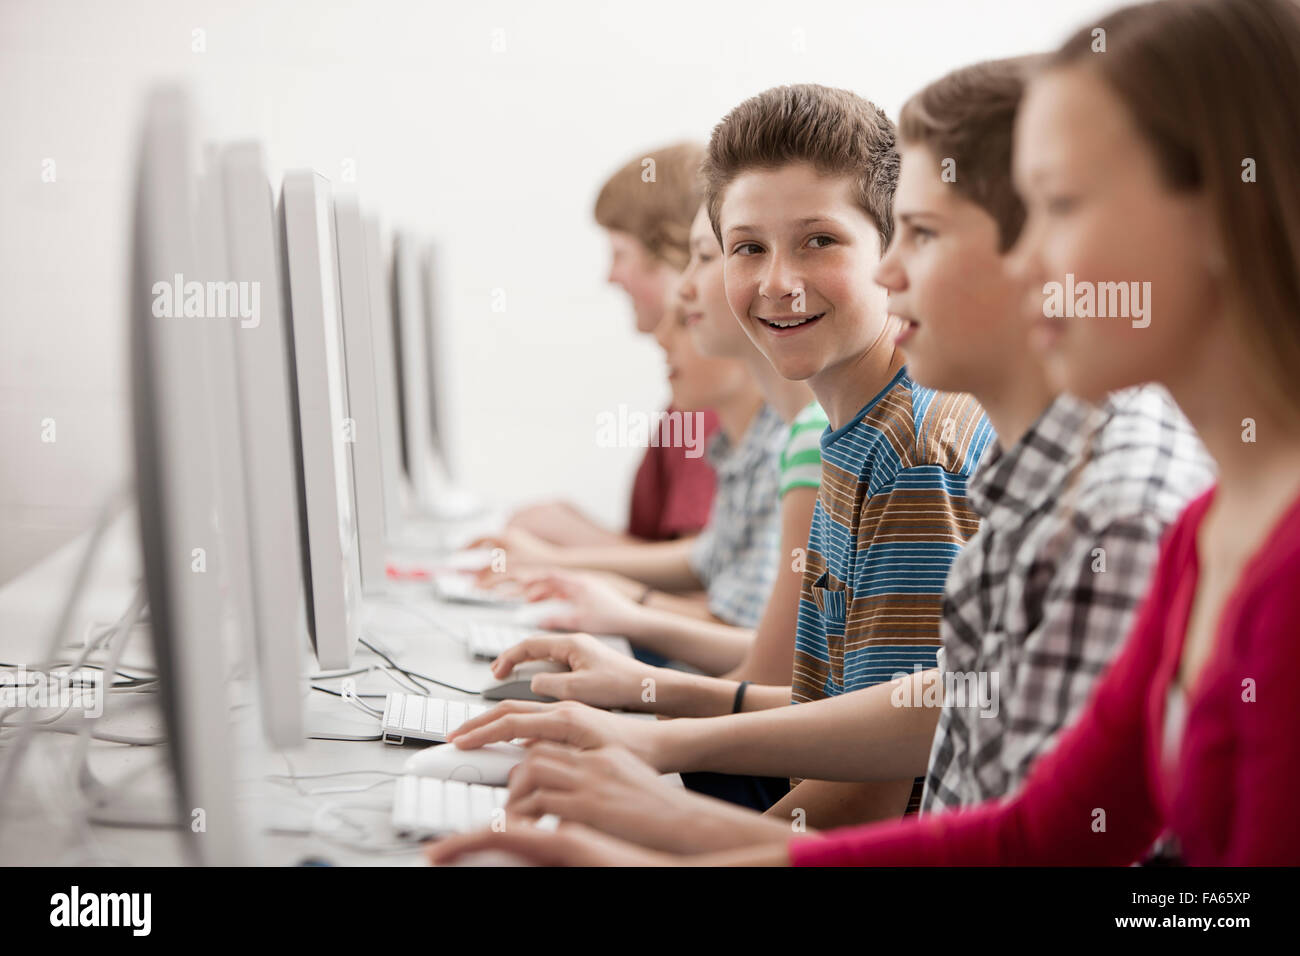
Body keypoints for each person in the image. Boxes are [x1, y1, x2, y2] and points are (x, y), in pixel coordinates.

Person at [433, 0, 1300, 866]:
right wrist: (663, 776)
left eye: (1060, 207)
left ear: (1225, 211)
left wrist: (670, 814)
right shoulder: (1192, 526)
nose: (1030, 259)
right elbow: (1017, 812)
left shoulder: (1118, 505)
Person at [443, 82, 994, 833]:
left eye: (819, 241)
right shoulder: (855, 429)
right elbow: (835, 712)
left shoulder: (910, 447)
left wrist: (642, 825)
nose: (777, 282)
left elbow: (861, 801)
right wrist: (640, 695)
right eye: (748, 248)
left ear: (891, 251)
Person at [506, 142, 719, 548]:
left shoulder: (706, 399)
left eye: (620, 253)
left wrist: (572, 540)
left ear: (674, 255)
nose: (610, 276)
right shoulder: (693, 391)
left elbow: (700, 574)